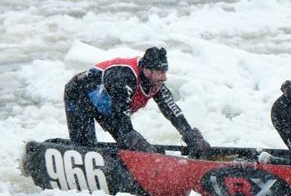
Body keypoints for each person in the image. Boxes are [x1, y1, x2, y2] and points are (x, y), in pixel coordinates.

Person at [63, 46, 210, 156]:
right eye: (160, 72)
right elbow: (122, 118)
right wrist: (143, 147)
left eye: (165, 72)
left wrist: (191, 136)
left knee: (129, 144)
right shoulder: (123, 78)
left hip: (107, 106)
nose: (164, 78)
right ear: (146, 70)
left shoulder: (156, 83)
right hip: (79, 96)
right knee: (86, 149)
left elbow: (172, 111)